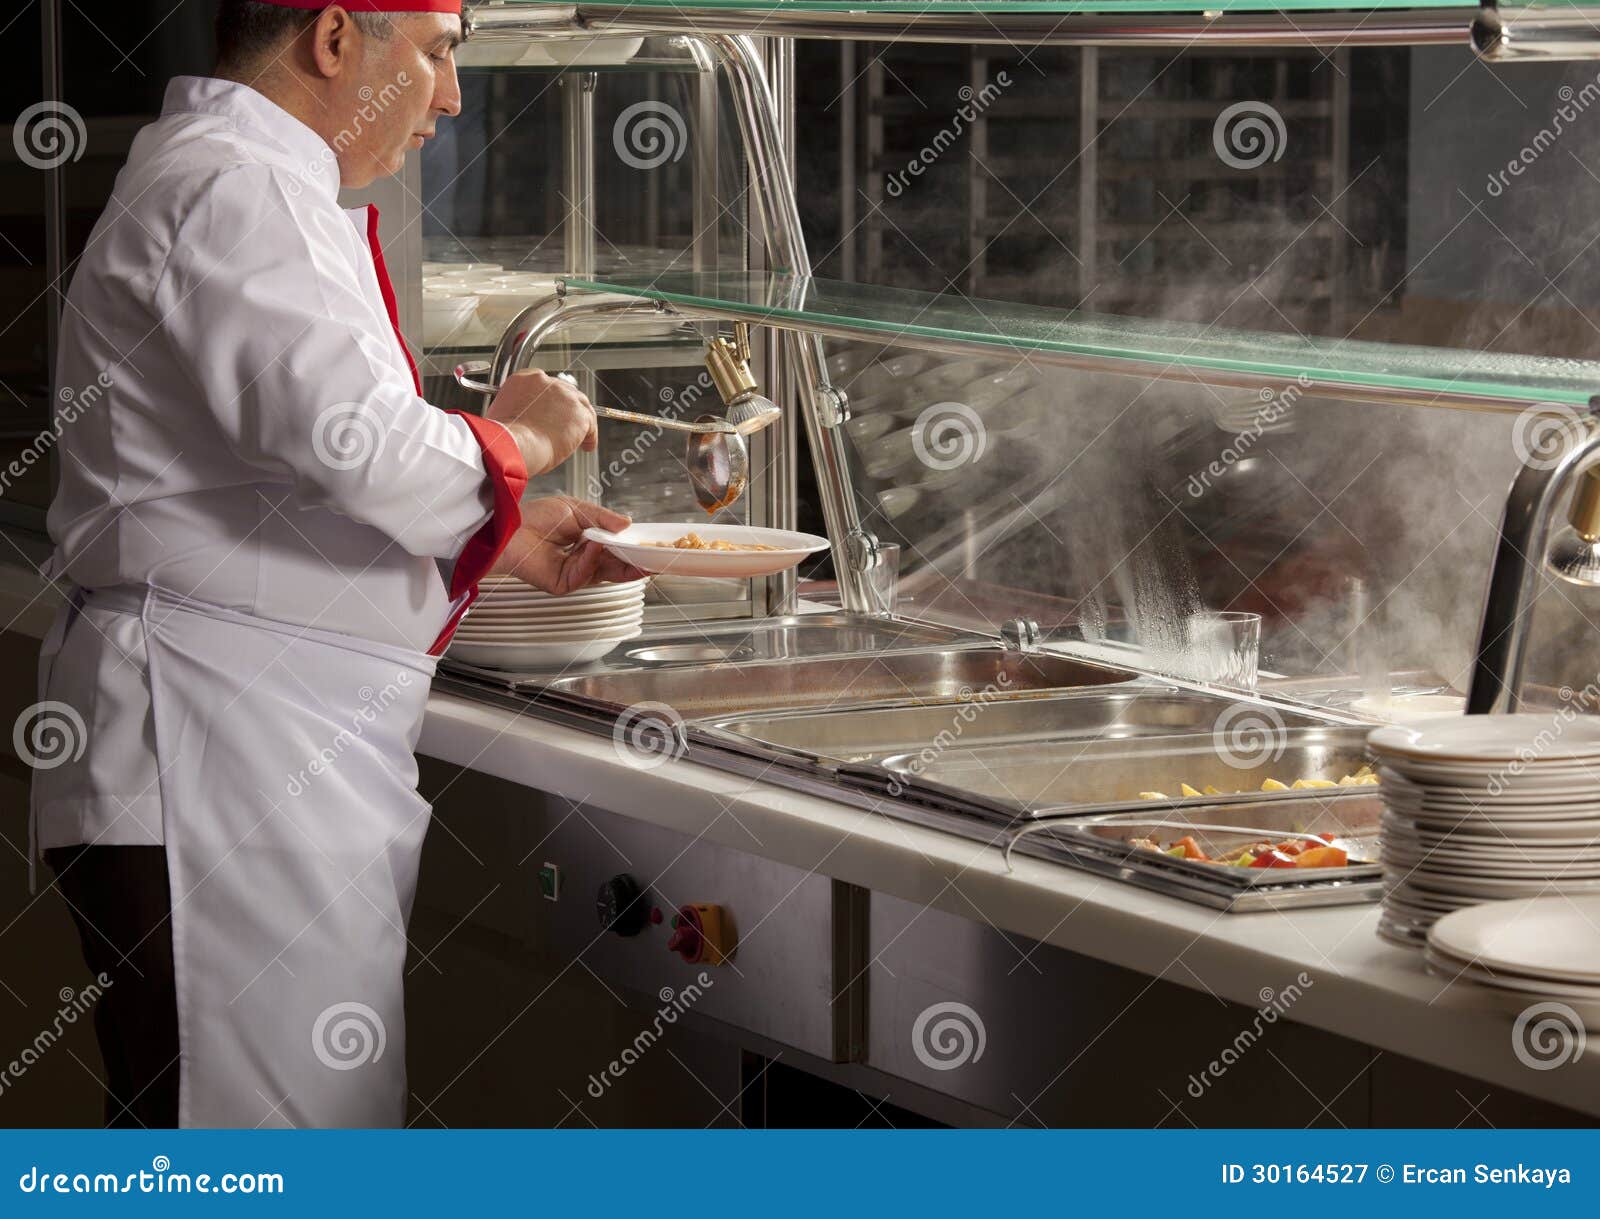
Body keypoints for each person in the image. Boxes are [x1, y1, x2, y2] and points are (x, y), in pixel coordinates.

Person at [33, 0, 640, 1127]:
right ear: (331, 41)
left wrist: (498, 532)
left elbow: (268, 472)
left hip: (251, 757)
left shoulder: (243, 179)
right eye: (441, 55)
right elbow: (364, 453)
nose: (451, 98)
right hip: (219, 762)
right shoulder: (234, 186)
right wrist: (520, 433)